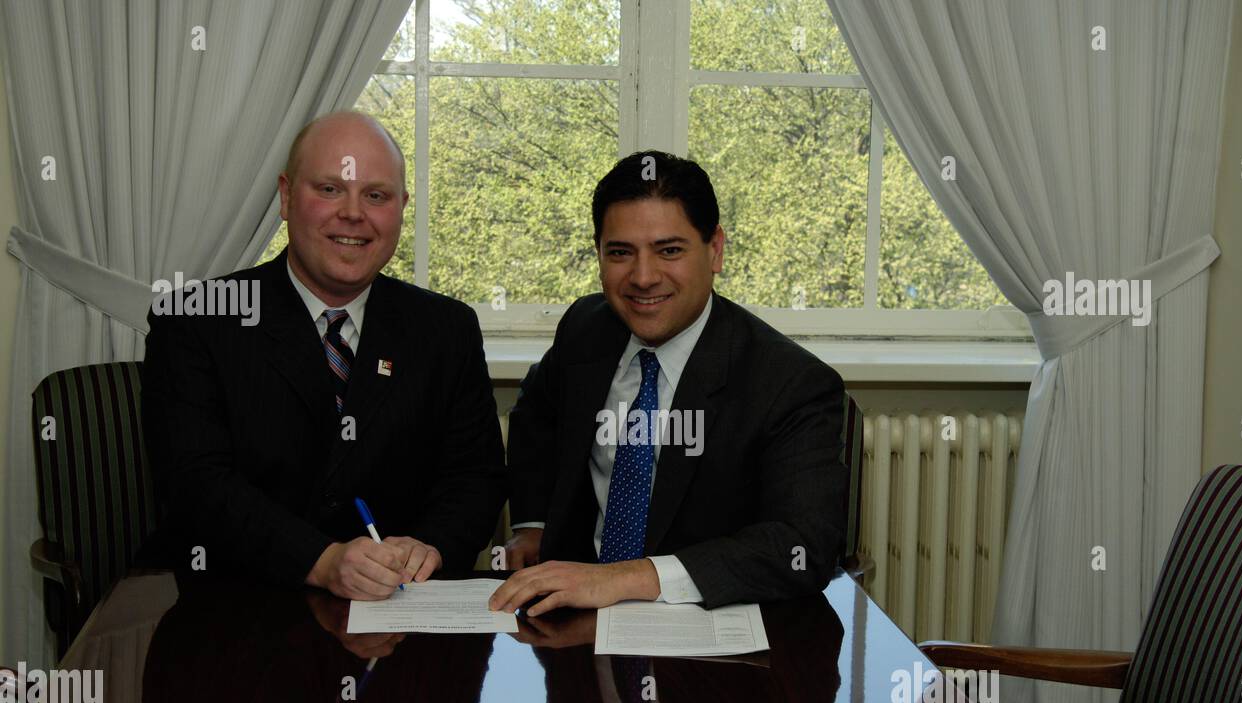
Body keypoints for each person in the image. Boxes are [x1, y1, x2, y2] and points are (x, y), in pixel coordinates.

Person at [143, 111, 505, 600]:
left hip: (402, 610)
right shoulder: (197, 320)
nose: (353, 213)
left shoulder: (447, 329)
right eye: (330, 189)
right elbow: (196, 484)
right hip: (235, 607)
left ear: (401, 207)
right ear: (286, 196)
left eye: (376, 195)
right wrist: (320, 560)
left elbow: (475, 477)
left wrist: (431, 546)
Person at [491, 151, 846, 615]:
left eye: (669, 250)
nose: (643, 278)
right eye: (621, 252)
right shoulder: (585, 327)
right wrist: (533, 525)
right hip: (573, 618)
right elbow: (535, 413)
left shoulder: (791, 383)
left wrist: (626, 578)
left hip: (712, 625)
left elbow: (802, 546)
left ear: (715, 249)